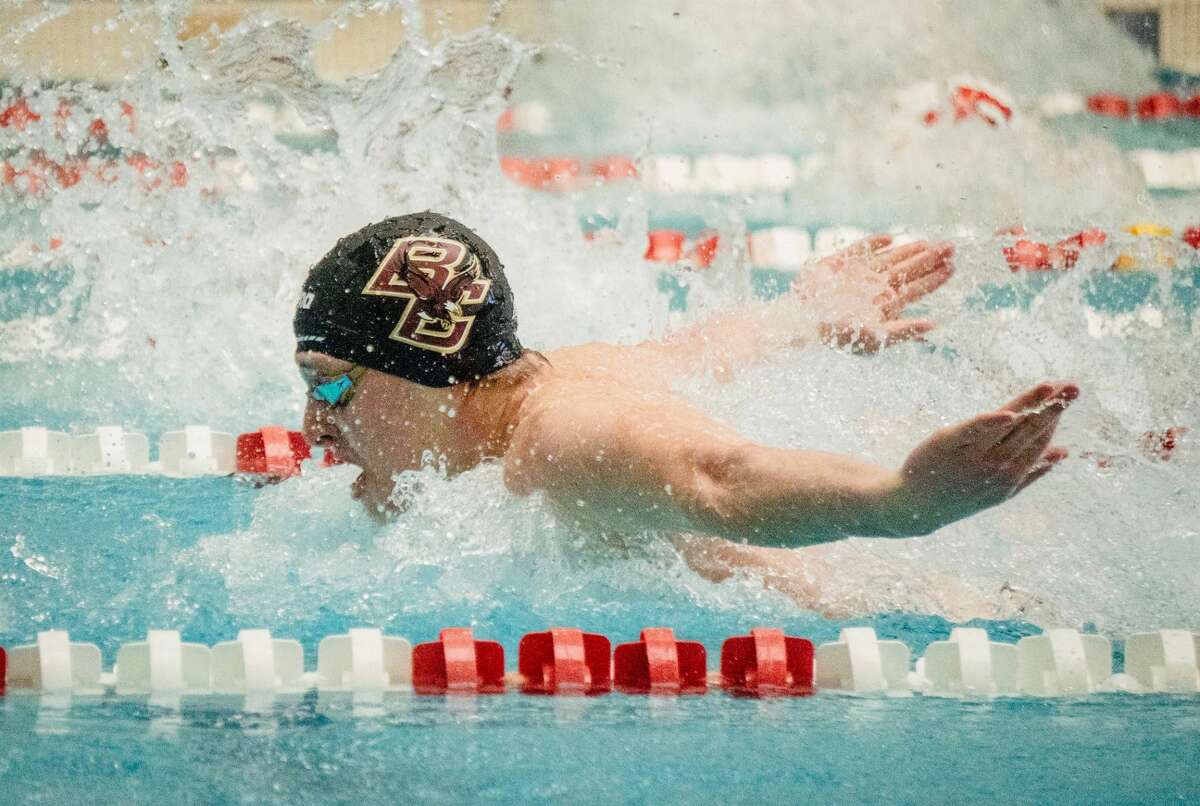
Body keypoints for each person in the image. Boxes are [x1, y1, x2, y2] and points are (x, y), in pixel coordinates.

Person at [295, 212, 1077, 617]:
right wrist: (801, 315)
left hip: (909, 620)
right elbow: (693, 346)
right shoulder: (562, 374)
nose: (312, 424)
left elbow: (718, 478)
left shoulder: (559, 441)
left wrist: (903, 502)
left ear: (430, 377)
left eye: (331, 387)